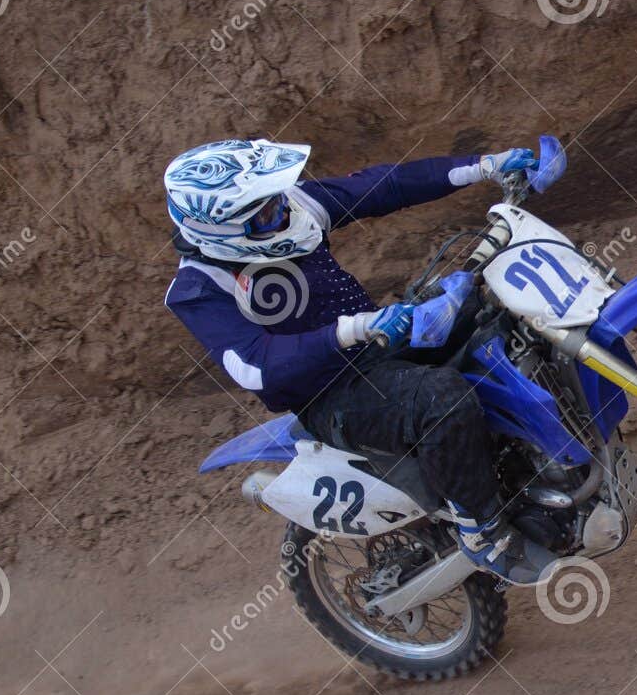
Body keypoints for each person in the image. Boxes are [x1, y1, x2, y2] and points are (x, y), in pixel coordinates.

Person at [163, 137, 535, 577]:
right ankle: (481, 531)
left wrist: (485, 165)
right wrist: (352, 330)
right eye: (264, 213)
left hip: (377, 342)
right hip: (331, 394)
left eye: (276, 199)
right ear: (221, 230)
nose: (281, 212)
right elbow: (256, 366)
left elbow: (385, 186)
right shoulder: (199, 289)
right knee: (442, 398)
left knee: (491, 308)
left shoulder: (294, 208)